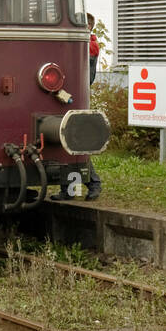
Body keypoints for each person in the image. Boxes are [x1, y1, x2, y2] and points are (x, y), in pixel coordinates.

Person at [52, 12, 102, 202]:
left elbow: (83, 78)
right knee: (68, 144)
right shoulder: (85, 45)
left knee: (74, 143)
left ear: (88, 27)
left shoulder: (89, 46)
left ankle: (92, 184)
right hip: (67, 97)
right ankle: (71, 189)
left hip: (71, 99)